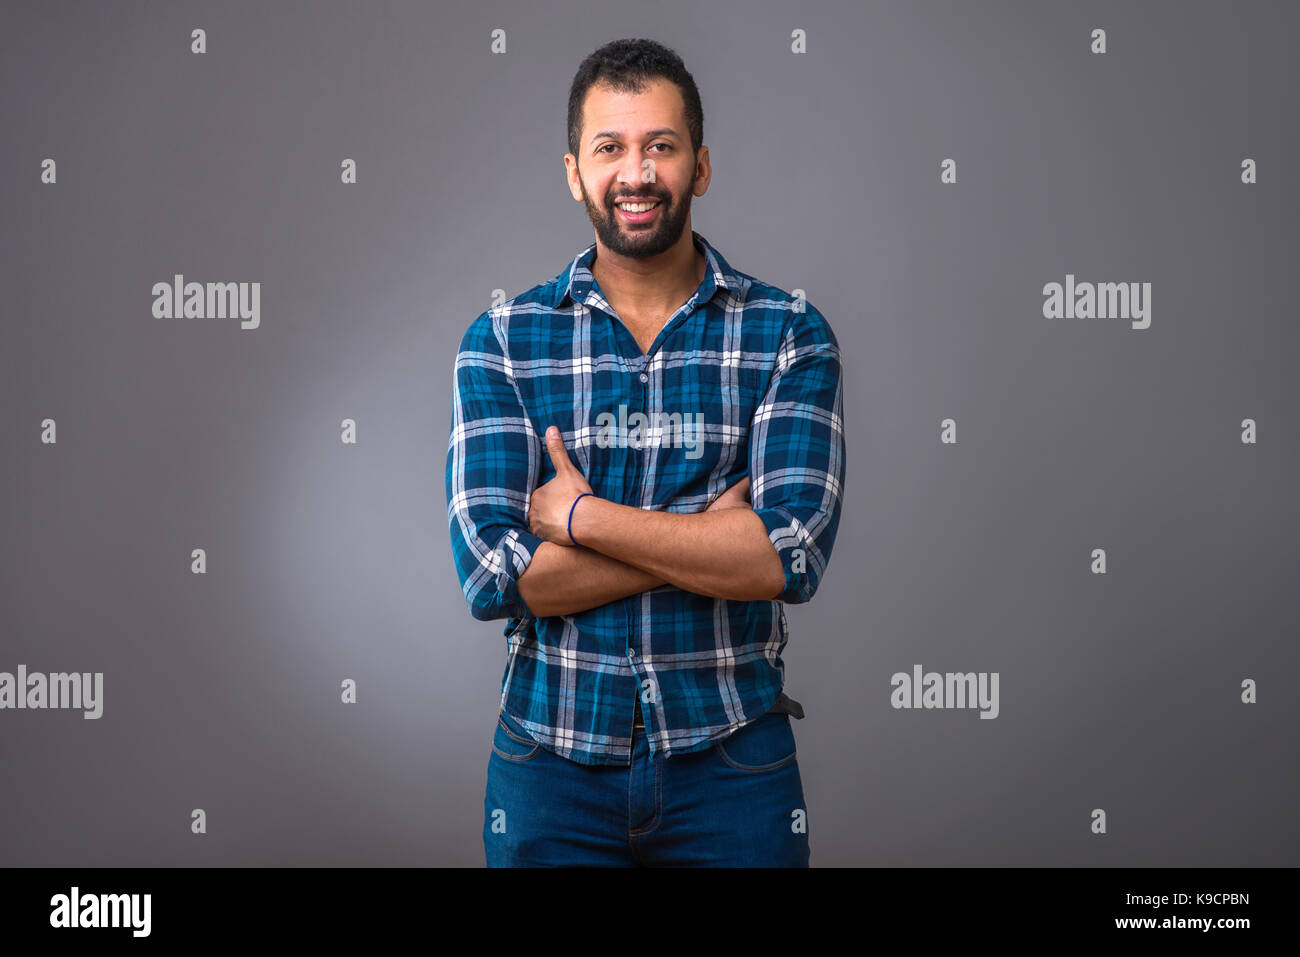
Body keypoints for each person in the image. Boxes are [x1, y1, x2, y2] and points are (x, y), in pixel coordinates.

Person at [446, 37, 845, 866]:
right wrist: (708, 535)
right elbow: (494, 578)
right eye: (610, 149)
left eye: (660, 146)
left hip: (734, 763)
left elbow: (789, 555)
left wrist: (581, 518)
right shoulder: (503, 342)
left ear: (700, 165)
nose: (637, 173)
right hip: (548, 767)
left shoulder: (787, 334)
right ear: (573, 171)